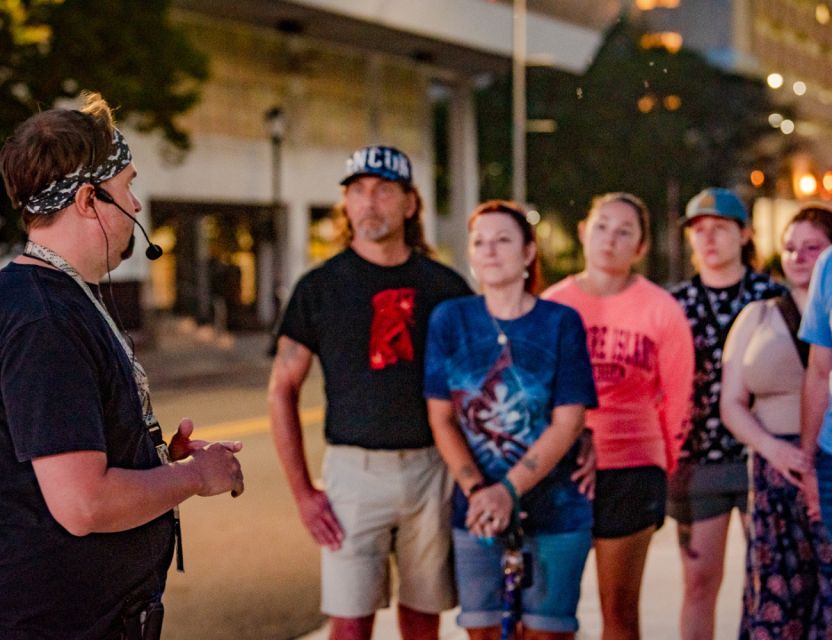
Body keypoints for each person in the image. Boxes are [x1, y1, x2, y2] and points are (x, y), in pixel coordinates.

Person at [0, 92, 245, 639]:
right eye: (127, 186)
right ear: (89, 200)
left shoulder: (55, 298)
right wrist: (193, 477)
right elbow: (83, 503)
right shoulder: (45, 319)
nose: (136, 206)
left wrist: (155, 461)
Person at [268, 145, 471, 640]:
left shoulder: (446, 287)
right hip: (352, 475)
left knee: (423, 620)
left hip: (432, 469)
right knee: (350, 625)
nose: (369, 202)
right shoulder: (319, 287)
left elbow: (475, 391)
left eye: (383, 190)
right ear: (345, 204)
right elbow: (281, 391)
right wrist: (303, 494)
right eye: (357, 191)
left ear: (409, 203)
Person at [424, 200, 597, 640]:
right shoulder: (450, 319)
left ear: (528, 252)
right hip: (476, 509)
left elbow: (569, 420)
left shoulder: (560, 322)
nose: (489, 250)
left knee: (548, 634)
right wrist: (480, 492)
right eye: (479, 241)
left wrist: (508, 491)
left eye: (503, 240)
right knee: (482, 632)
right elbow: (441, 417)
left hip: (556, 510)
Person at [542, 192, 694, 640]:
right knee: (551, 615)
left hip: (631, 469)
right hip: (562, 471)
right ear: (584, 232)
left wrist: (663, 467)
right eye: (602, 226)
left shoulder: (660, 309)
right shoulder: (554, 305)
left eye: (625, 231)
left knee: (619, 612)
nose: (611, 239)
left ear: (640, 247)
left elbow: (678, 398)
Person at [668, 187, 785, 640]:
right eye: (699, 231)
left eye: (720, 228)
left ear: (744, 234)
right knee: (699, 581)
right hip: (699, 459)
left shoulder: (772, 300)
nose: (709, 239)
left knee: (770, 581)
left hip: (765, 452)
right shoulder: (676, 303)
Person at [721, 205, 832, 638]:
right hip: (773, 470)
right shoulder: (759, 316)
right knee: (776, 599)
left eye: (812, 247)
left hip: (821, 459)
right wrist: (773, 449)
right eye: (789, 248)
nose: (798, 257)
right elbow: (731, 403)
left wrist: (808, 457)